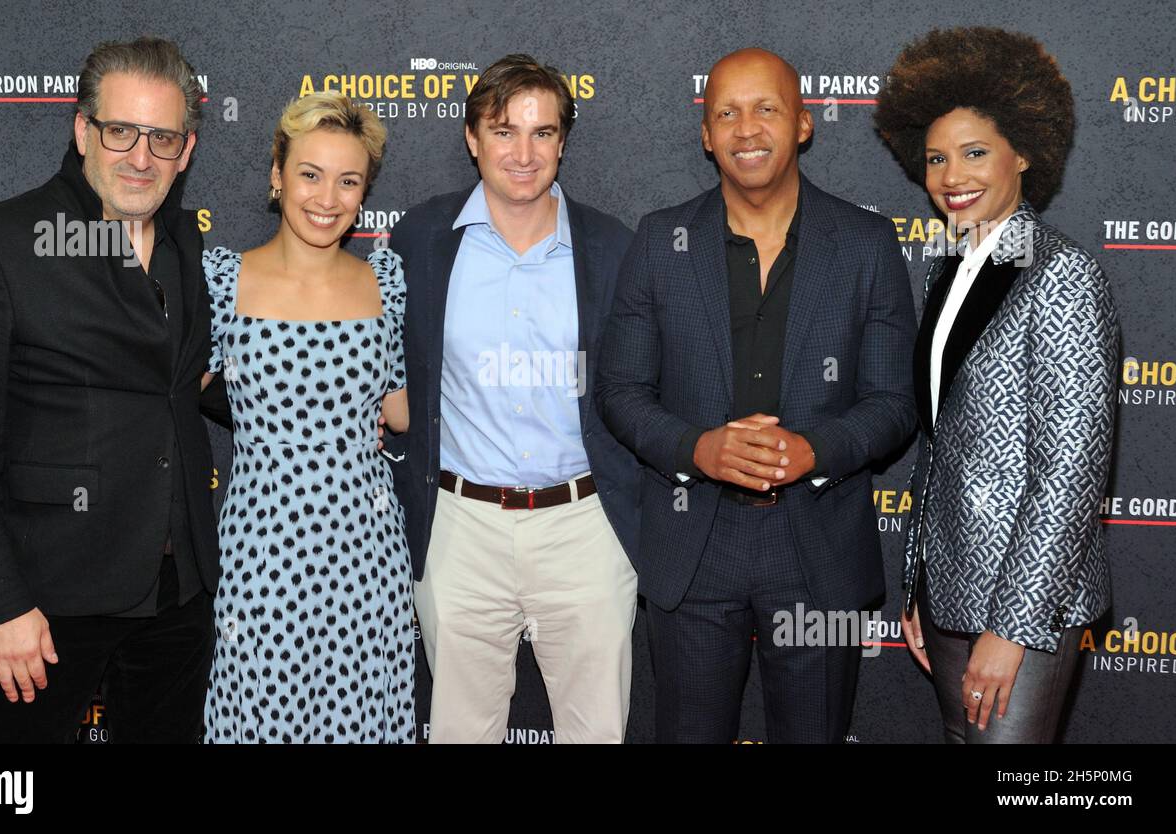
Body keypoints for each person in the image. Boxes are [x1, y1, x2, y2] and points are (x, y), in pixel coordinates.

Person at [596, 48, 918, 743]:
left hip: (818, 549)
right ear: (706, 134)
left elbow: (895, 401)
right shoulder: (660, 241)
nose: (747, 130)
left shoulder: (865, 244)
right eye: (727, 113)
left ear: (803, 123)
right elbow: (619, 390)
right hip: (694, 547)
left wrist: (815, 449)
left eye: (765, 108)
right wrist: (696, 448)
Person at [0, 37, 230, 743]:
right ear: (84, 130)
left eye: (163, 137)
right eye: (121, 131)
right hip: (45, 602)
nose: (141, 156)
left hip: (177, 589)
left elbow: (185, 382)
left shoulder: (186, 243)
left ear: (186, 150)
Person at [875, 27, 1119, 743]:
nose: (952, 175)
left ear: (1024, 152)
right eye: (936, 158)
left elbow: (1071, 474)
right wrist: (918, 578)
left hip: (1025, 604)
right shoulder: (948, 266)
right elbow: (941, 443)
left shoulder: (1060, 274)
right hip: (948, 587)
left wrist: (1011, 627)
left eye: (975, 152)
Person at [387, 54, 640, 744]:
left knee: (598, 732)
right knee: (462, 732)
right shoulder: (420, 241)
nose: (523, 154)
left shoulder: (613, 247)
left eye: (543, 133)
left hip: (583, 524)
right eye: (504, 131)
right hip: (460, 527)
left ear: (563, 141)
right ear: (472, 138)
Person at [199, 91, 411, 743]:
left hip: (365, 559)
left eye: (348, 181)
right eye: (310, 174)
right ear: (276, 175)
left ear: (364, 191)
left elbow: (399, 413)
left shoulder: (386, 280)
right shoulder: (219, 280)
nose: (328, 198)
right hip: (262, 559)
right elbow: (185, 393)